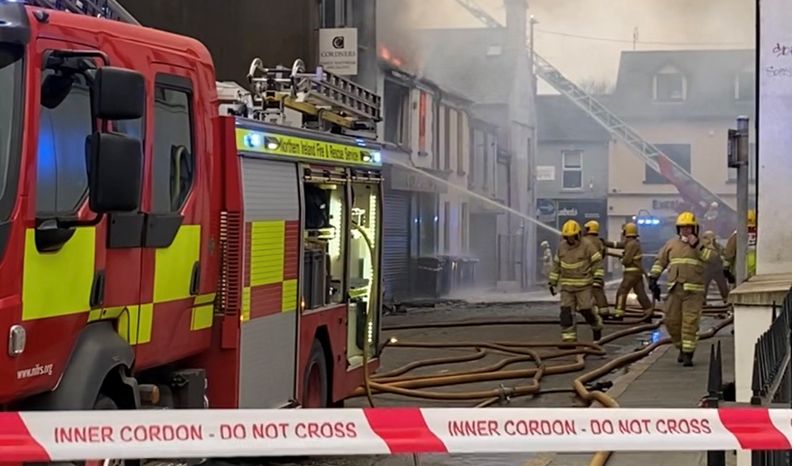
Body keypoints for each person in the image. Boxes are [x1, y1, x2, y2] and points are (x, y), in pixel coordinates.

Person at [648, 211, 715, 367]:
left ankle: (688, 354)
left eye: (689, 228)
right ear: (678, 230)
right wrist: (653, 278)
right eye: (683, 228)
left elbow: (711, 259)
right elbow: (660, 262)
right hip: (674, 290)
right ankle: (680, 347)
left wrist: (696, 245)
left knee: (689, 323)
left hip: (694, 292)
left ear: (695, 229)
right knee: (671, 321)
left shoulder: (703, 244)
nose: (686, 231)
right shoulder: (671, 244)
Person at [548, 220, 604, 342]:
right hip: (566, 288)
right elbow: (556, 266)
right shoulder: (561, 247)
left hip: (584, 286)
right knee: (566, 314)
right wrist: (552, 282)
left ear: (578, 234)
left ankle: (596, 326)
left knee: (586, 309)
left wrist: (598, 278)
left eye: (572, 236)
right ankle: (569, 342)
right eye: (567, 237)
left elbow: (597, 263)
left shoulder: (587, 245)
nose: (570, 239)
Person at [612, 222, 653, 320]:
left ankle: (619, 313)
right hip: (637, 273)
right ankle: (648, 312)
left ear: (627, 232)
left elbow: (627, 260)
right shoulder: (632, 243)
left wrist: (622, 259)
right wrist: (605, 243)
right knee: (641, 293)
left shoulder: (631, 244)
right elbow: (619, 245)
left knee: (622, 291)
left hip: (631, 273)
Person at [582, 220, 611, 319]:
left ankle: (589, 311)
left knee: (586, 290)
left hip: (587, 270)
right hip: (598, 270)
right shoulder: (599, 241)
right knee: (598, 290)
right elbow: (603, 254)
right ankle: (604, 310)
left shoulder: (584, 241)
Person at [723, 209, 757, 282]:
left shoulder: (736, 235)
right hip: (754, 273)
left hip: (740, 273)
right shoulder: (759, 234)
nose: (749, 229)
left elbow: (729, 254)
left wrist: (726, 269)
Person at [701, 230, 729, 302]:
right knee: (704, 285)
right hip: (707, 268)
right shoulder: (702, 247)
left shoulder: (717, 246)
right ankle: (702, 301)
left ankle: (727, 299)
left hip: (717, 268)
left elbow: (724, 253)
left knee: (722, 285)